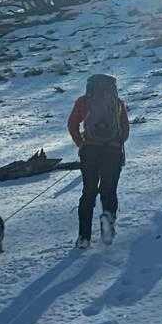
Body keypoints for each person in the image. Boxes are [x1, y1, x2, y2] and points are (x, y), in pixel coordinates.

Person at [67, 74, 130, 247]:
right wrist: (116, 142)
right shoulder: (117, 102)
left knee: (88, 192)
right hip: (113, 152)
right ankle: (107, 228)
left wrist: (81, 143)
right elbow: (125, 129)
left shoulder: (83, 101)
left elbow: (72, 124)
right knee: (109, 191)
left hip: (90, 152)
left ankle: (84, 237)